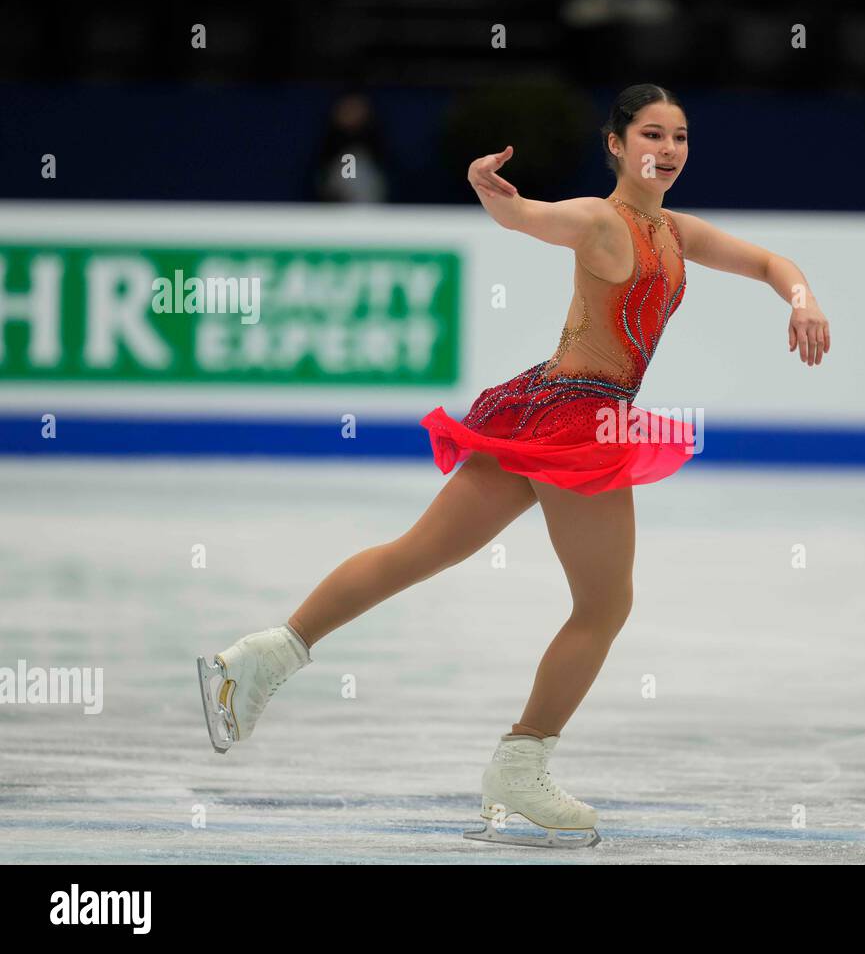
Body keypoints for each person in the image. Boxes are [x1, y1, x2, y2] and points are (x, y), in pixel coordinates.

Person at [197, 83, 831, 848]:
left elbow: (768, 260)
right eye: (651, 135)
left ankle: (256, 660)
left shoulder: (674, 232)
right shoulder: (602, 220)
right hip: (579, 420)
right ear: (616, 144)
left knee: (417, 554)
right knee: (604, 605)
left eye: (680, 137)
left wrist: (800, 296)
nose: (666, 150)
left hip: (546, 404)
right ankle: (521, 764)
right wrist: (490, 193)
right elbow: (529, 216)